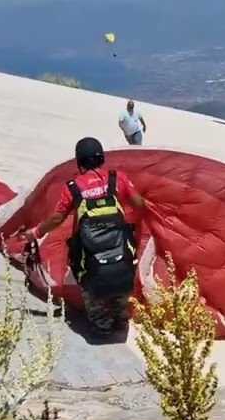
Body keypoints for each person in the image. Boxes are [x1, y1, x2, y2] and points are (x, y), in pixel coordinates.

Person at [14, 137, 147, 338]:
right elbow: (139, 203)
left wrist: (35, 233)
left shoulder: (74, 187)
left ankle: (101, 323)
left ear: (79, 160)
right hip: (119, 247)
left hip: (91, 251)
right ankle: (121, 320)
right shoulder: (117, 178)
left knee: (84, 273)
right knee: (121, 271)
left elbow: (57, 219)